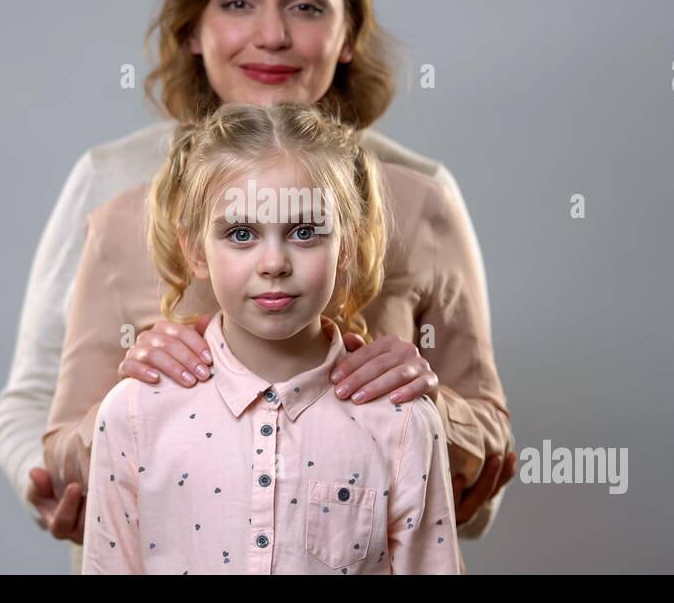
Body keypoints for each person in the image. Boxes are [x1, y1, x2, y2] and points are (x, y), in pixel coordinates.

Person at [0, 0, 516, 574]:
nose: (272, 35)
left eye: (305, 6)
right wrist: (93, 451)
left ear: (349, 31)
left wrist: (424, 407)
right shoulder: (112, 189)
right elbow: (36, 416)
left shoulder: (421, 198)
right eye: (238, 3)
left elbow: (488, 466)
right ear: (193, 30)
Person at [83, 101, 460, 574]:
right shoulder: (134, 413)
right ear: (196, 251)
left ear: (348, 244)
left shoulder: (402, 422)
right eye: (241, 233)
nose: (274, 263)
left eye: (304, 231)